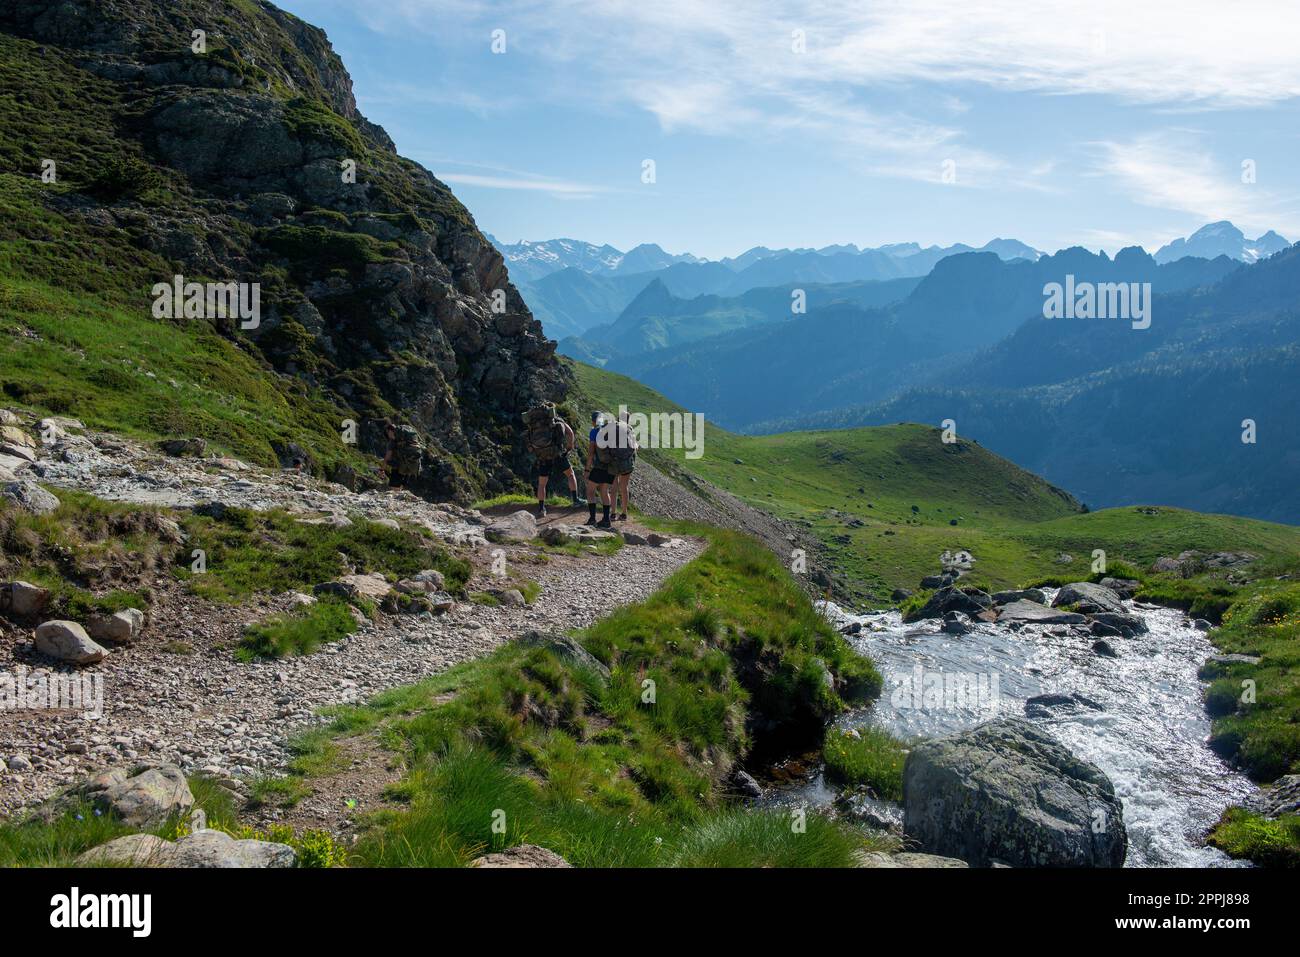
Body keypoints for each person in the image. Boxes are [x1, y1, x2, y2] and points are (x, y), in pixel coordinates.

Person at [523, 403, 582, 517]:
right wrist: (569, 448)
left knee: (542, 484)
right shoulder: (556, 420)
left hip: (542, 455)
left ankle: (541, 508)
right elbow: (570, 433)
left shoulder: (533, 424)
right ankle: (575, 500)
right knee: (570, 474)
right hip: (557, 453)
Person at [585, 410, 615, 527]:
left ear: (593, 421)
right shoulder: (610, 431)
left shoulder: (594, 432)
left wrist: (587, 470)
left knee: (590, 491)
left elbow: (591, 453)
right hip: (611, 468)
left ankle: (592, 519)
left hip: (599, 467)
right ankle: (606, 520)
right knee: (604, 491)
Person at [609, 409, 638, 521]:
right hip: (626, 463)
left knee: (614, 487)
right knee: (624, 487)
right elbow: (635, 447)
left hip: (614, 462)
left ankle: (612, 513)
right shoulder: (630, 429)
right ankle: (624, 513)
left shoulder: (612, 428)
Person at [384, 422, 423, 489]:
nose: (388, 435)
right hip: (411, 465)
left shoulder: (393, 442)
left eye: (387, 432)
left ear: (390, 431)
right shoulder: (408, 437)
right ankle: (401, 493)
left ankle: (395, 494)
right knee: (403, 485)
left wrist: (382, 469)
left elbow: (388, 456)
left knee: (394, 486)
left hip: (399, 466)